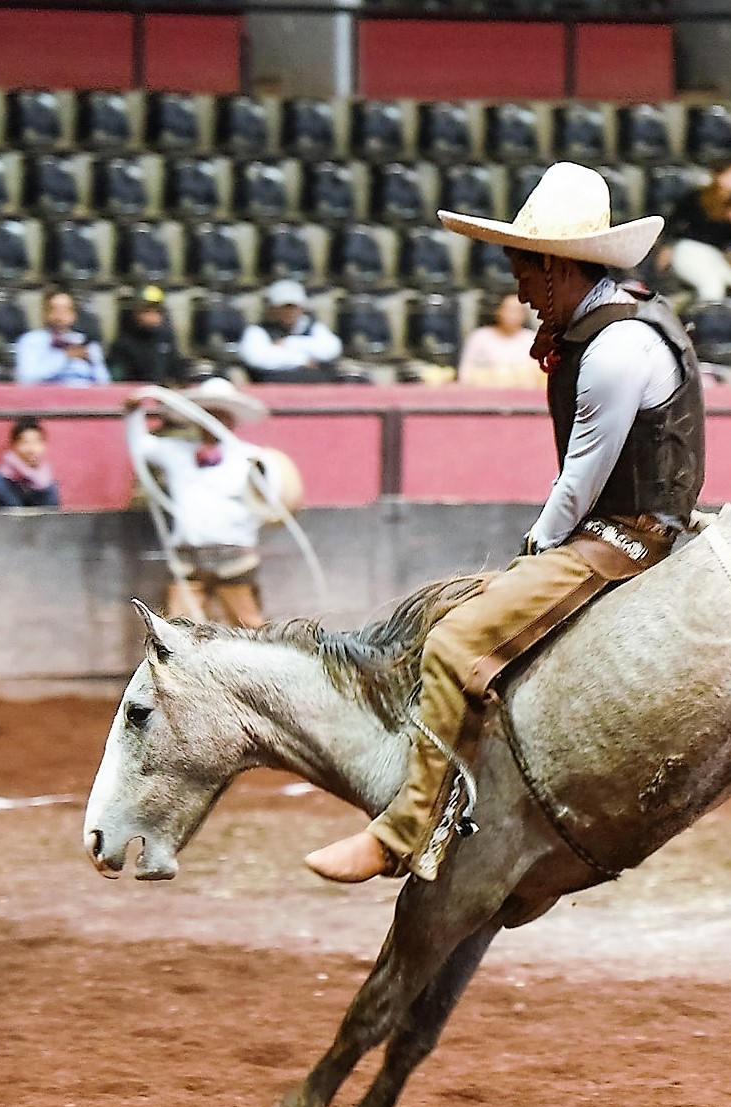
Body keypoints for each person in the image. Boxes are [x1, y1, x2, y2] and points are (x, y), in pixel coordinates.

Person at [304, 161, 705, 884]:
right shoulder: (620, 324)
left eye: (524, 268)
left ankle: (402, 831)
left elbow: (580, 480)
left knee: (459, 639)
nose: (517, 288)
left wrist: (536, 550)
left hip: (624, 537)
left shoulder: (614, 349)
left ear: (557, 266)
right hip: (634, 521)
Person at [124, 377, 272, 627]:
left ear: (232, 420)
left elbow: (271, 499)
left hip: (233, 555)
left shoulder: (251, 458)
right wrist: (134, 414)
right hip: (188, 556)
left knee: (248, 626)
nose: (213, 422)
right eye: (207, 415)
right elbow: (141, 446)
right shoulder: (177, 452)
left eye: (220, 416)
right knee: (178, 630)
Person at [665, 161, 731, 346]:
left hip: (716, 257)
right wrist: (667, 246)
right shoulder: (697, 197)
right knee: (712, 286)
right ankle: (708, 339)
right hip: (689, 251)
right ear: (720, 176)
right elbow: (673, 223)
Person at [237, 280, 342, 384]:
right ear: (272, 309)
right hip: (275, 383)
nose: (289, 312)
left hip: (314, 382)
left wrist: (289, 343)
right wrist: (301, 360)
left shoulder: (313, 327)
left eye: (293, 308)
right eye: (284, 308)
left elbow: (331, 349)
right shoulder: (257, 331)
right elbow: (257, 358)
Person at [14, 289, 110, 387]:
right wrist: (65, 357)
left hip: (85, 395)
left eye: (66, 309)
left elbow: (104, 382)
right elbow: (26, 378)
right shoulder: (32, 340)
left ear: (73, 314)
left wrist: (92, 362)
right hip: (48, 395)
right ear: (45, 313)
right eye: (54, 309)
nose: (60, 315)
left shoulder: (86, 343)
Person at [107, 285, 189, 385]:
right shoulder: (122, 344)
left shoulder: (166, 339)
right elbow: (117, 379)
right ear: (135, 314)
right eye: (146, 311)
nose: (152, 316)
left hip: (163, 393)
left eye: (157, 311)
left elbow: (175, 370)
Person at [456, 294, 540, 388]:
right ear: (498, 311)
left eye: (518, 310)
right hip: (485, 394)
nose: (513, 315)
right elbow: (465, 374)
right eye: (509, 310)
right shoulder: (480, 337)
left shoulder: (532, 338)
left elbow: (540, 375)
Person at [0, 416, 60, 509]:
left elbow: (52, 519)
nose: (32, 449)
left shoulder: (48, 485)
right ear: (13, 445)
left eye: (37, 442)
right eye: (26, 442)